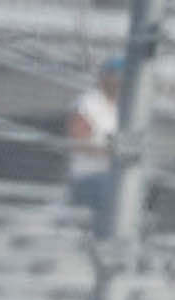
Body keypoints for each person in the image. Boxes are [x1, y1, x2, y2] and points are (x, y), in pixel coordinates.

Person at [65, 58, 120, 215]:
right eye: (115, 74)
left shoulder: (125, 107)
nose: (120, 79)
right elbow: (77, 142)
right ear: (105, 76)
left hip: (117, 175)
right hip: (89, 176)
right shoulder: (88, 102)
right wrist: (111, 152)